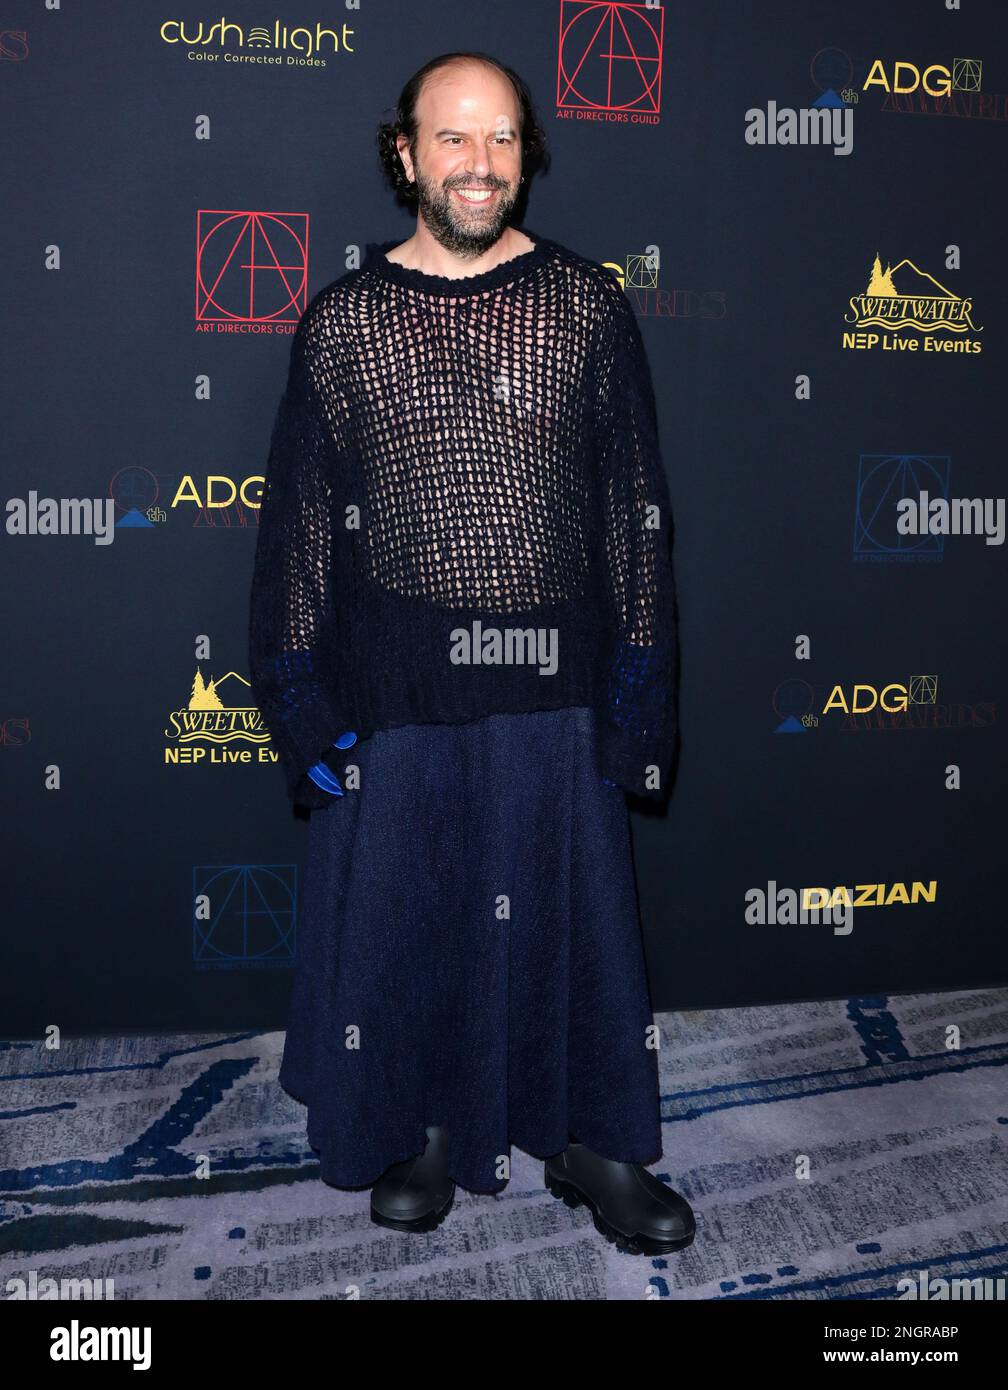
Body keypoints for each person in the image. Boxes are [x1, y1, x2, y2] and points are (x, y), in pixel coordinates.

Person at [247, 49, 694, 1257]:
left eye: (500, 139)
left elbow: (632, 514)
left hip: (556, 683)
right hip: (397, 684)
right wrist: (300, 701)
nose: (480, 164)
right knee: (414, 908)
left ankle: (595, 1138)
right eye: (454, 139)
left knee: (579, 923)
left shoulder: (585, 303)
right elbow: (297, 528)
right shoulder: (343, 321)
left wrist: (638, 699)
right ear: (406, 156)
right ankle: (423, 1120)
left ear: (525, 153)